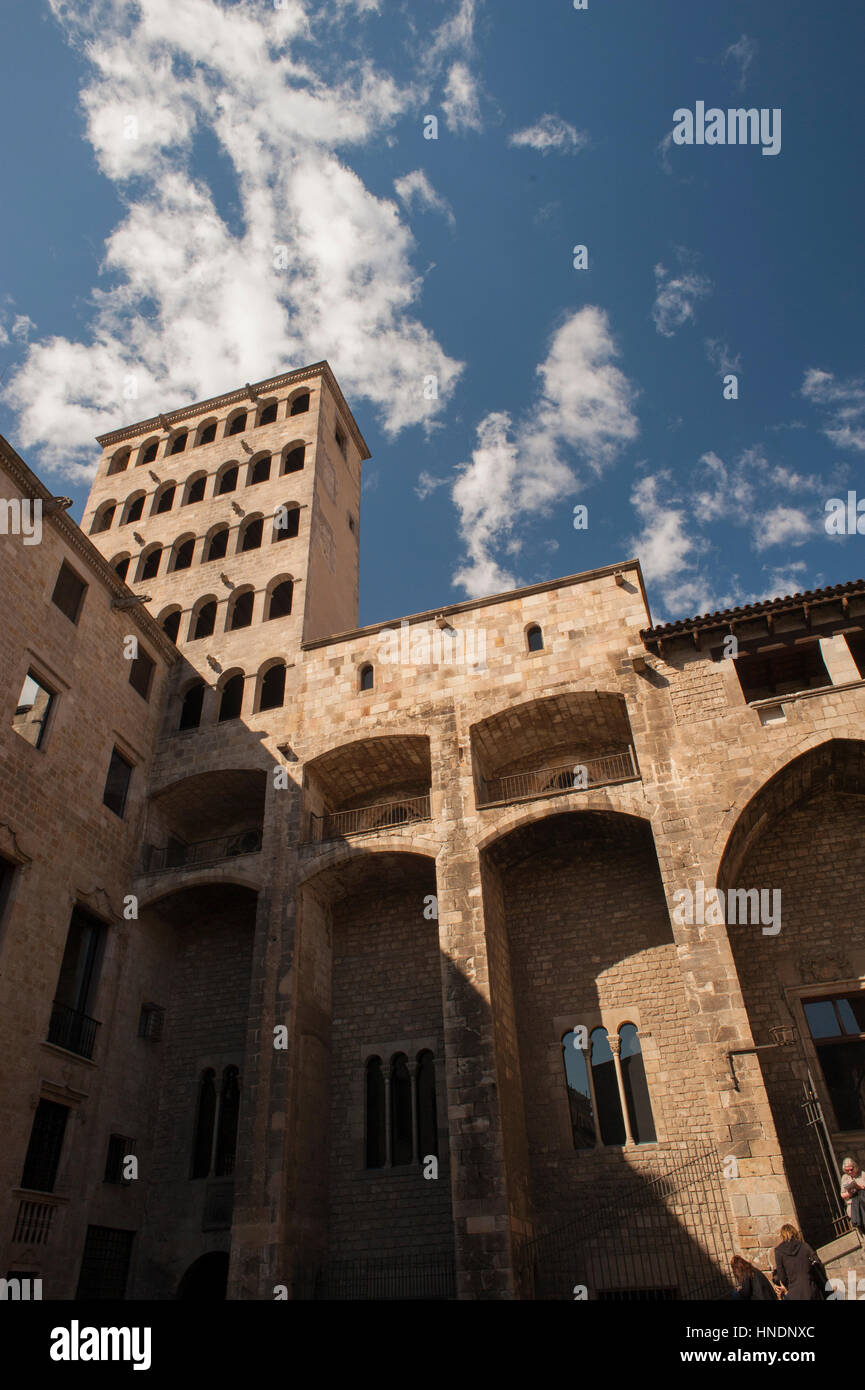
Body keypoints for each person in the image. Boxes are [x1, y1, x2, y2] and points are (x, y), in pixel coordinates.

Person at [772, 1224, 825, 1301]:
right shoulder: (804, 1246)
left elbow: (782, 1275)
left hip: (794, 1292)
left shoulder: (779, 1251)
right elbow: (818, 1264)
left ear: (782, 1236)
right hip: (810, 1288)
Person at [840, 1156, 865, 1231]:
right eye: (847, 1170)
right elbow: (842, 1194)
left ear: (855, 1167)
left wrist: (859, 1187)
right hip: (853, 1206)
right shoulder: (845, 1177)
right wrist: (850, 1193)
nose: (850, 1172)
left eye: (851, 1169)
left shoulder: (862, 1174)